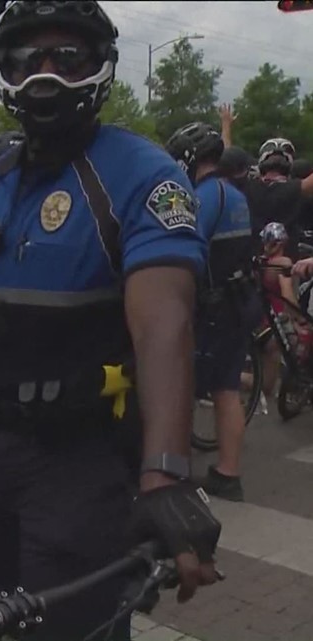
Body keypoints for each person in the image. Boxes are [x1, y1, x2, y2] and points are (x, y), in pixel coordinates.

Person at [0, 3, 218, 636]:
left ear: (100, 67)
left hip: (79, 467)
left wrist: (166, 475)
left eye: (67, 58)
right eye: (25, 59)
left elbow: (164, 325)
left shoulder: (143, 175)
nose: (46, 74)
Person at [166, 122, 256, 502]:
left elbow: (184, 250)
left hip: (215, 307)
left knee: (181, 389)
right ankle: (227, 472)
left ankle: (176, 471)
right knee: (226, 389)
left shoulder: (203, 197)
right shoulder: (233, 194)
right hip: (240, 300)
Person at [259, 223, 300, 412]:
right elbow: (287, 296)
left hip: (259, 323)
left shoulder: (260, 263)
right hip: (276, 326)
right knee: (268, 385)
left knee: (266, 379)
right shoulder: (283, 263)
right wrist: (300, 319)